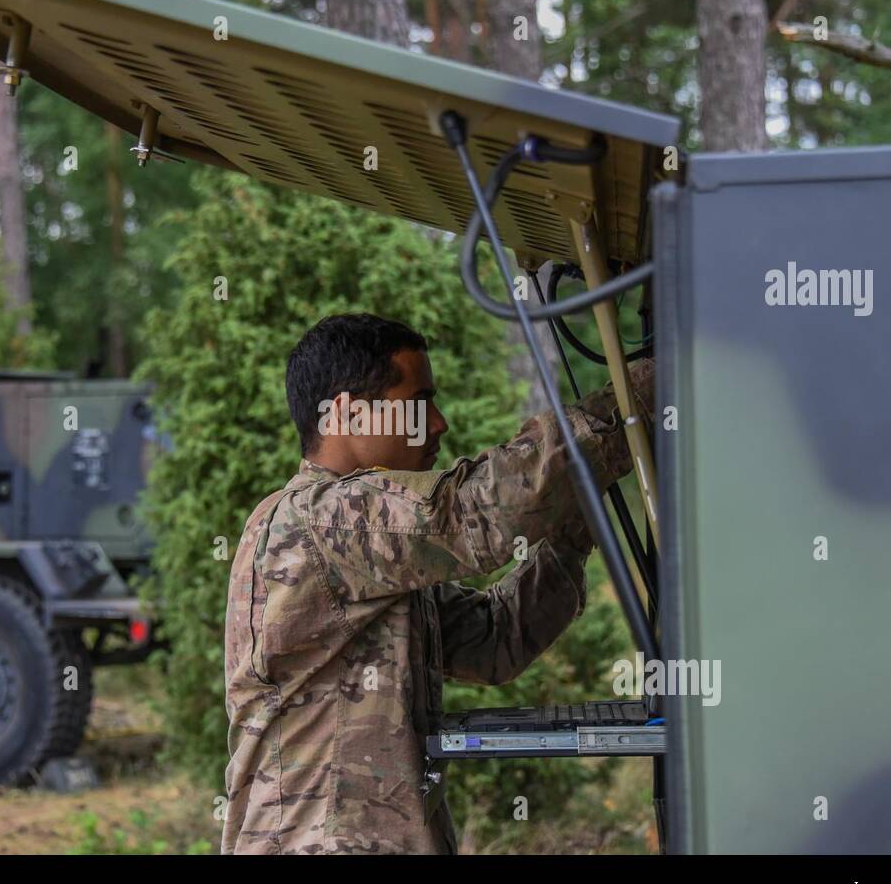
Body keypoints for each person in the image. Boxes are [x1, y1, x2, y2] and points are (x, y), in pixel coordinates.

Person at [221, 312, 654, 854]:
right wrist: (635, 403)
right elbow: (476, 515)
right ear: (351, 414)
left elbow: (494, 641)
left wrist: (571, 524)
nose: (440, 423)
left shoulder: (368, 561)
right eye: (419, 403)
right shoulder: (319, 521)